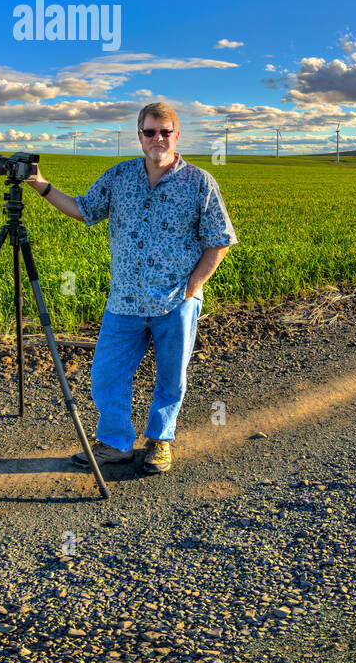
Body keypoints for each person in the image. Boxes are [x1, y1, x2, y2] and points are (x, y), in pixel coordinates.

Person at [24, 100, 235, 474]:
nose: (157, 138)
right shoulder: (120, 177)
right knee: (107, 373)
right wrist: (41, 186)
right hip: (124, 300)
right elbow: (83, 209)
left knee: (171, 377)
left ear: (176, 135)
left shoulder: (200, 181)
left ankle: (160, 442)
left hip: (175, 301)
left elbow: (219, 240)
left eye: (164, 131)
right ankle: (115, 443)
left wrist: (191, 289)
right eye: (150, 131)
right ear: (139, 135)